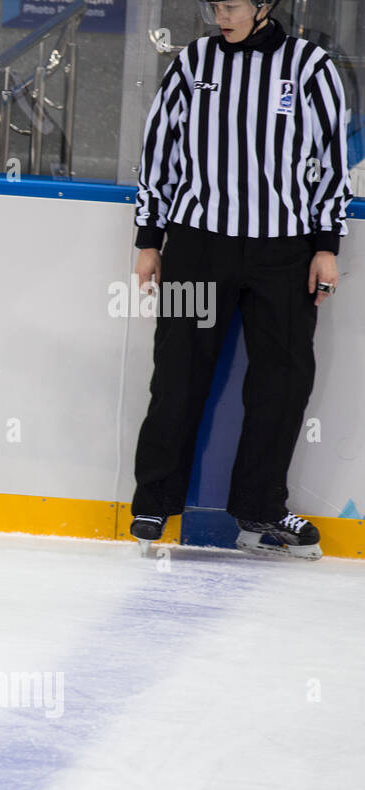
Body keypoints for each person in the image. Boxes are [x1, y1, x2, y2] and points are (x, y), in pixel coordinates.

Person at [130, 0, 352, 560]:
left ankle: (260, 508)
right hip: (196, 245)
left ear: (264, 5)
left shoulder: (310, 67)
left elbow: (329, 161)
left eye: (230, 5)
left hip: (285, 248)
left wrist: (326, 246)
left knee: (283, 378)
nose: (219, 15)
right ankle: (154, 502)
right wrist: (148, 239)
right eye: (213, 4)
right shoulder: (193, 62)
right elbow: (160, 152)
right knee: (177, 371)